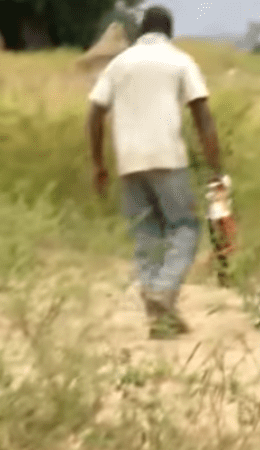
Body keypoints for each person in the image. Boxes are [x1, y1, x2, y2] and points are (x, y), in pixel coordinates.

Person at [86, 5, 226, 340]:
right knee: (185, 228)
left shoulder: (119, 64)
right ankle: (162, 291)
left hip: (129, 162)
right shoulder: (180, 61)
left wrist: (99, 165)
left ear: (140, 31)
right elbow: (202, 116)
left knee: (146, 233)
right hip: (168, 158)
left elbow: (94, 113)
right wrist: (216, 169)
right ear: (169, 31)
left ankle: (159, 315)